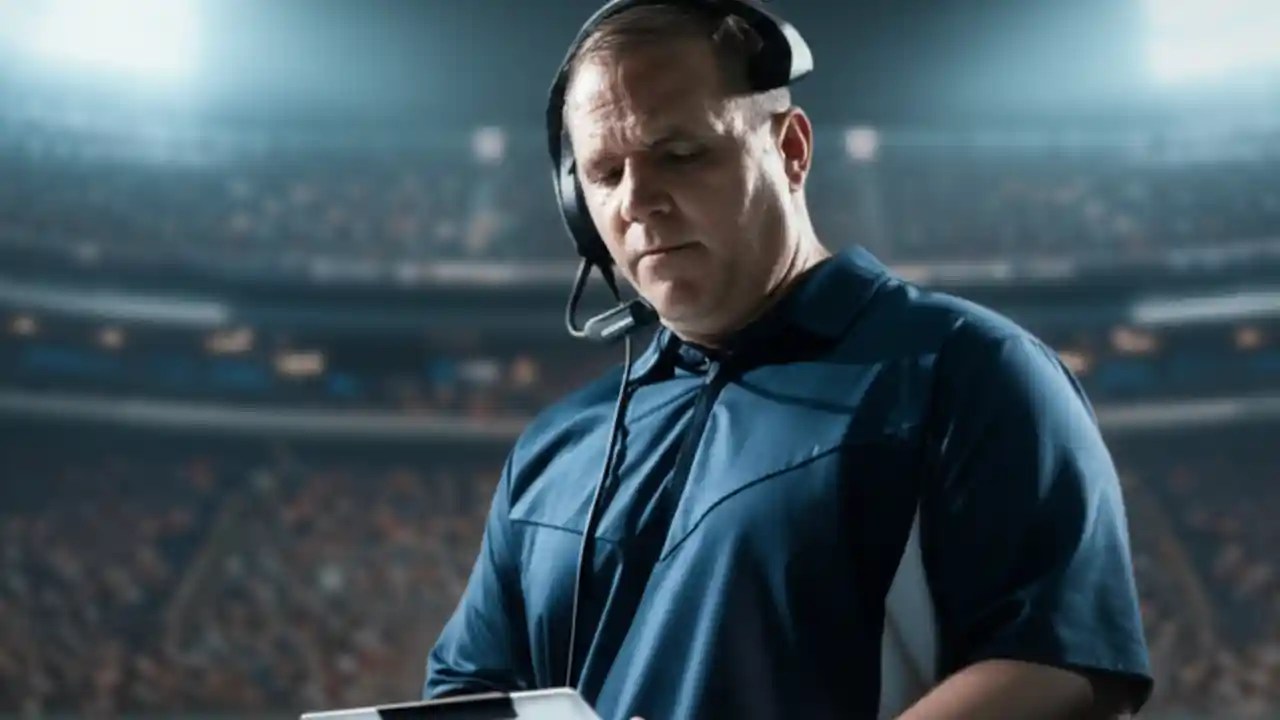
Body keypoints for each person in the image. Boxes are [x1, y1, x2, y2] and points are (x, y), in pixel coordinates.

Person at [425, 2, 1153, 718]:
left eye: (679, 155)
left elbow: (1062, 668)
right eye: (605, 173)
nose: (638, 200)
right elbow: (468, 695)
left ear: (791, 149)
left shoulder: (969, 370)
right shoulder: (554, 450)